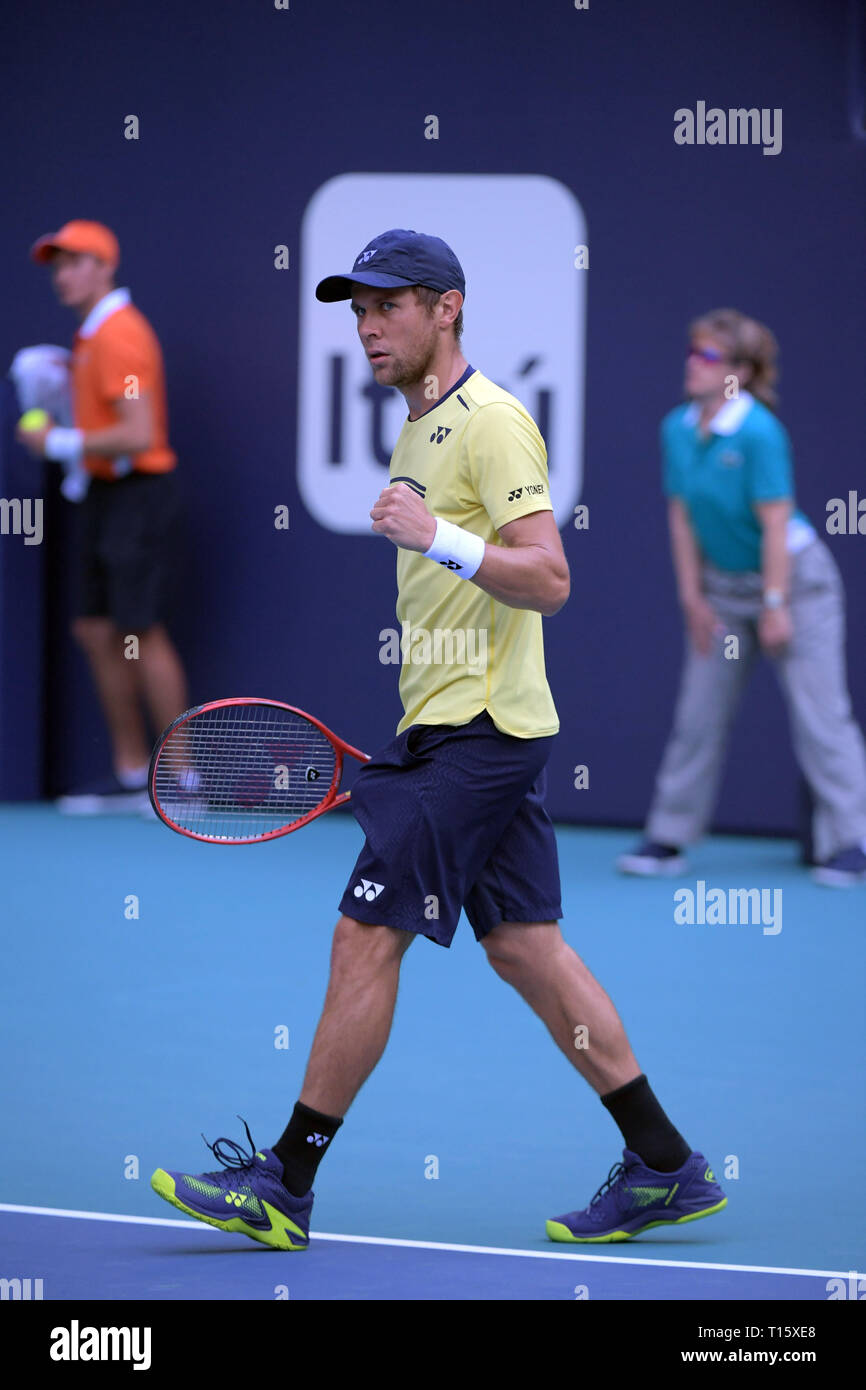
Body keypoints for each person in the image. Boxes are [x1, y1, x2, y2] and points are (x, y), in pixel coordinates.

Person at [150, 229, 726, 1250]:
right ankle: (665, 1163)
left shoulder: (493, 422)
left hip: (483, 732)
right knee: (525, 949)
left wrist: (441, 539)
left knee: (362, 934)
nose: (368, 328)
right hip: (451, 728)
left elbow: (547, 578)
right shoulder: (414, 432)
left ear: (445, 308)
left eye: (388, 307)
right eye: (357, 311)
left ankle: (284, 1179)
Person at [618, 309, 866, 887]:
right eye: (692, 352)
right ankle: (669, 838)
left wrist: (777, 604)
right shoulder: (676, 428)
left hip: (797, 586)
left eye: (707, 357)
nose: (692, 364)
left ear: (740, 373)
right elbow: (681, 517)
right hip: (722, 595)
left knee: (821, 718)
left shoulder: (760, 433)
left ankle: (851, 841)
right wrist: (692, 598)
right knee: (697, 716)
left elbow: (776, 524)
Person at [18, 220, 188, 813]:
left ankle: (181, 782)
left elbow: (138, 432)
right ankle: (130, 773)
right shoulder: (92, 337)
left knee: (139, 628)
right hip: (100, 494)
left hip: (136, 493)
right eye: (56, 266)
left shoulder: (119, 335)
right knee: (95, 629)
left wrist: (60, 442)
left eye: (74, 263)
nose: (62, 276)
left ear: (104, 267)